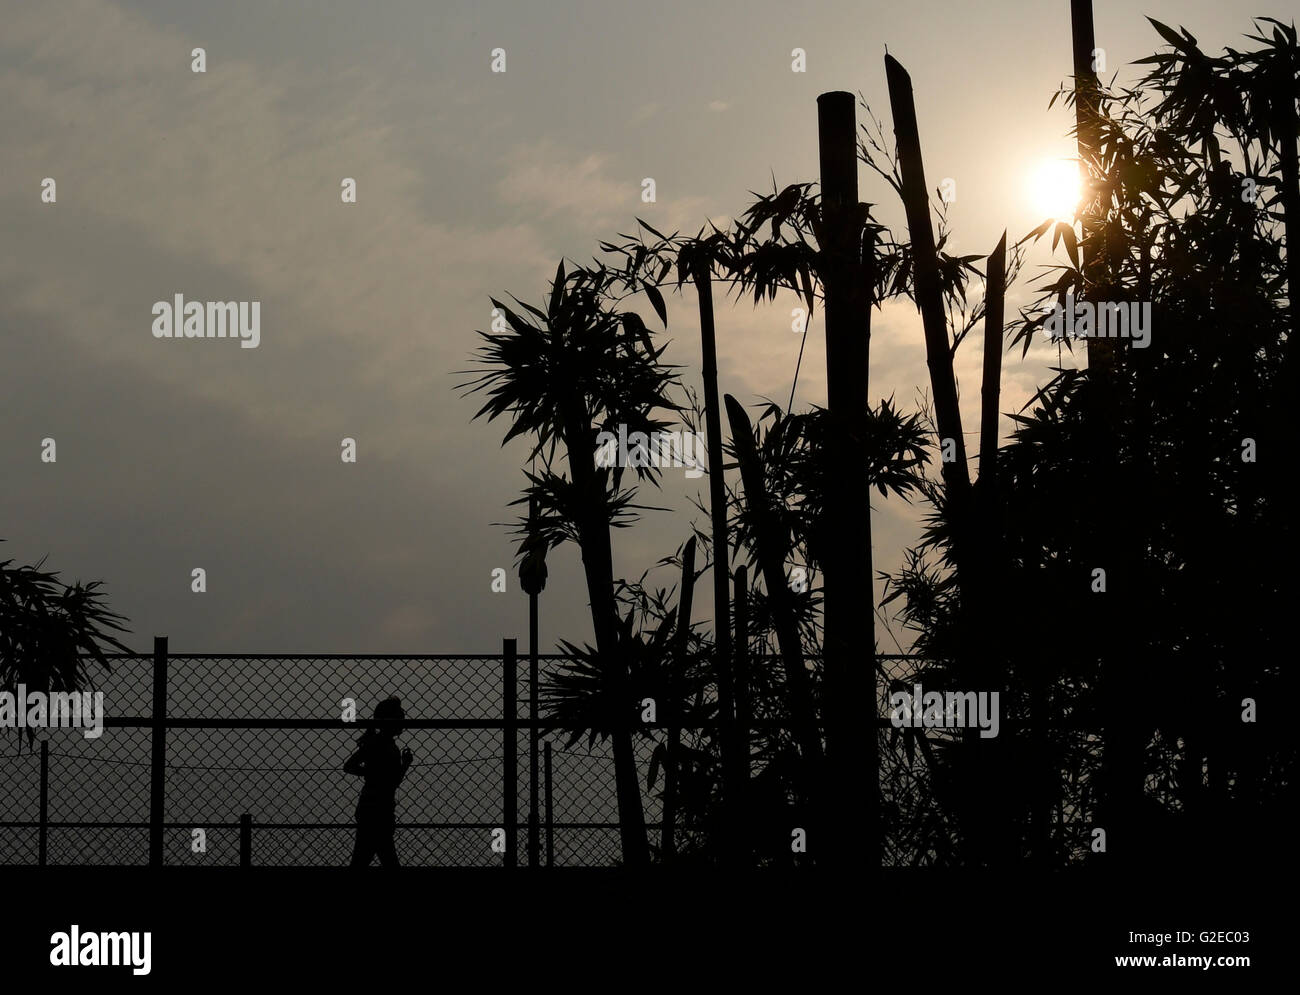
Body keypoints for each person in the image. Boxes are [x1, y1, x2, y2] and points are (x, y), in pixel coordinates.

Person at [344, 697, 412, 867]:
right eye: (399, 717)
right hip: (377, 809)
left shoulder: (383, 743)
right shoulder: (381, 744)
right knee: (382, 858)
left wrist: (374, 773)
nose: (403, 721)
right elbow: (350, 766)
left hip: (376, 807)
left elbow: (390, 780)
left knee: (364, 858)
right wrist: (401, 766)